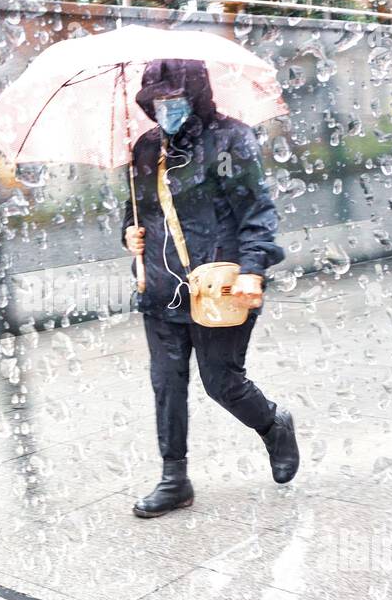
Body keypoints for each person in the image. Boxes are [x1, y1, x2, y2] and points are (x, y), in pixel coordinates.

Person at [122, 58, 299, 518]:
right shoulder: (144, 149)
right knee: (167, 382)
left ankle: (273, 424)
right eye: (158, 101)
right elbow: (138, 210)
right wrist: (129, 233)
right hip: (161, 289)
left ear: (195, 96)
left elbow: (255, 209)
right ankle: (174, 478)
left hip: (219, 284)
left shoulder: (229, 140)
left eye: (175, 99)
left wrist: (253, 268)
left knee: (222, 382)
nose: (167, 108)